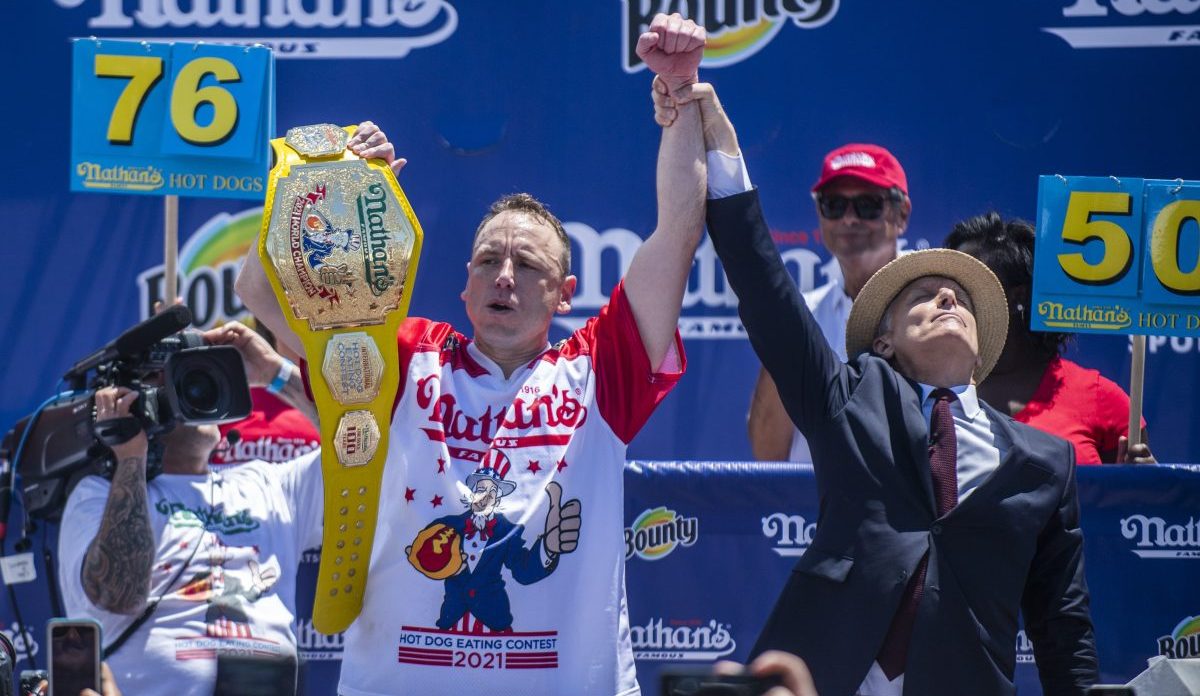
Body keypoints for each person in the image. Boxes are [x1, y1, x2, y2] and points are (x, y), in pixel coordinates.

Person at [236, 13, 707, 695]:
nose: (505, 276)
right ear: (463, 286)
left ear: (565, 294)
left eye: (528, 264)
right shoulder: (403, 355)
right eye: (488, 259)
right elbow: (260, 290)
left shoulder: (602, 368)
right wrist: (328, 181)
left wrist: (681, 90)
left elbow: (679, 227)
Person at [654, 82, 1097, 695]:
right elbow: (763, 286)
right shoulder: (849, 401)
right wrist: (719, 139)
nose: (947, 296)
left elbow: (1062, 626)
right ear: (883, 341)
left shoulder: (1046, 463)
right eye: (923, 296)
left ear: (981, 341)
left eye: (962, 298)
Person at [56, 320, 322, 696]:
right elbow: (119, 596)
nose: (198, 387)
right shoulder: (98, 494)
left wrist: (275, 373)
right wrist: (130, 454)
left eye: (203, 373)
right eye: (174, 377)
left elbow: (364, 445)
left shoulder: (270, 484)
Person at [745, 141, 912, 461]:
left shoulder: (935, 305)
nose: (849, 219)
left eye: (867, 204)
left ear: (901, 213)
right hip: (811, 508)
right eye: (834, 204)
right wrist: (781, 330)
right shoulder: (800, 314)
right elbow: (768, 454)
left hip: (908, 509)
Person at [944, 212, 1155, 464]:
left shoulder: (1102, 398)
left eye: (967, 283)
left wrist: (1142, 484)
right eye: (948, 282)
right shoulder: (930, 394)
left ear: (1017, 296)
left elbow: (1134, 500)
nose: (949, 296)